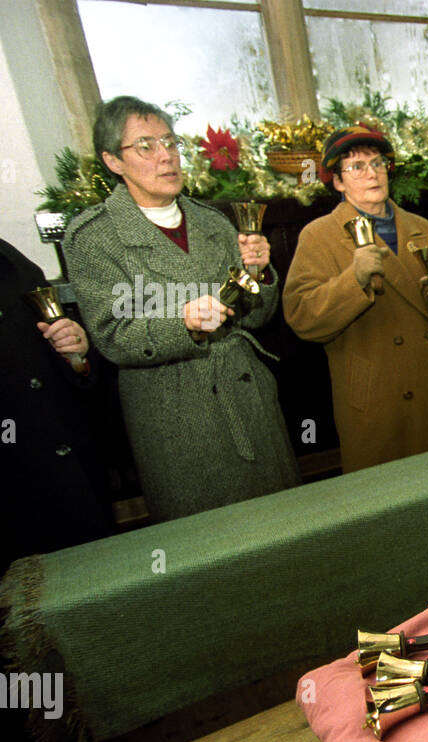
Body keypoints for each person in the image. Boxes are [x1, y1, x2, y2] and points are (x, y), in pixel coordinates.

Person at [64, 95, 299, 523]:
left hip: (249, 397)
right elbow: (113, 336)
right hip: (176, 416)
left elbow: (257, 317)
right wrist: (183, 324)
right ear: (113, 161)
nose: (167, 156)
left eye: (171, 142)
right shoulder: (95, 238)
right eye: (146, 146)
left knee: (282, 524)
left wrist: (261, 274)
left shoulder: (211, 221)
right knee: (207, 541)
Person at [283, 125, 428, 473]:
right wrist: (353, 280)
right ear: (338, 182)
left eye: (377, 163)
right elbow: (302, 318)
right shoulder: (319, 236)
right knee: (387, 510)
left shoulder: (422, 227)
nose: (372, 173)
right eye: (357, 167)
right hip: (376, 404)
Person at [0, 222, 114, 633]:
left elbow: (59, 354)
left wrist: (77, 351)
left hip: (64, 478)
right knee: (21, 645)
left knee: (100, 615)